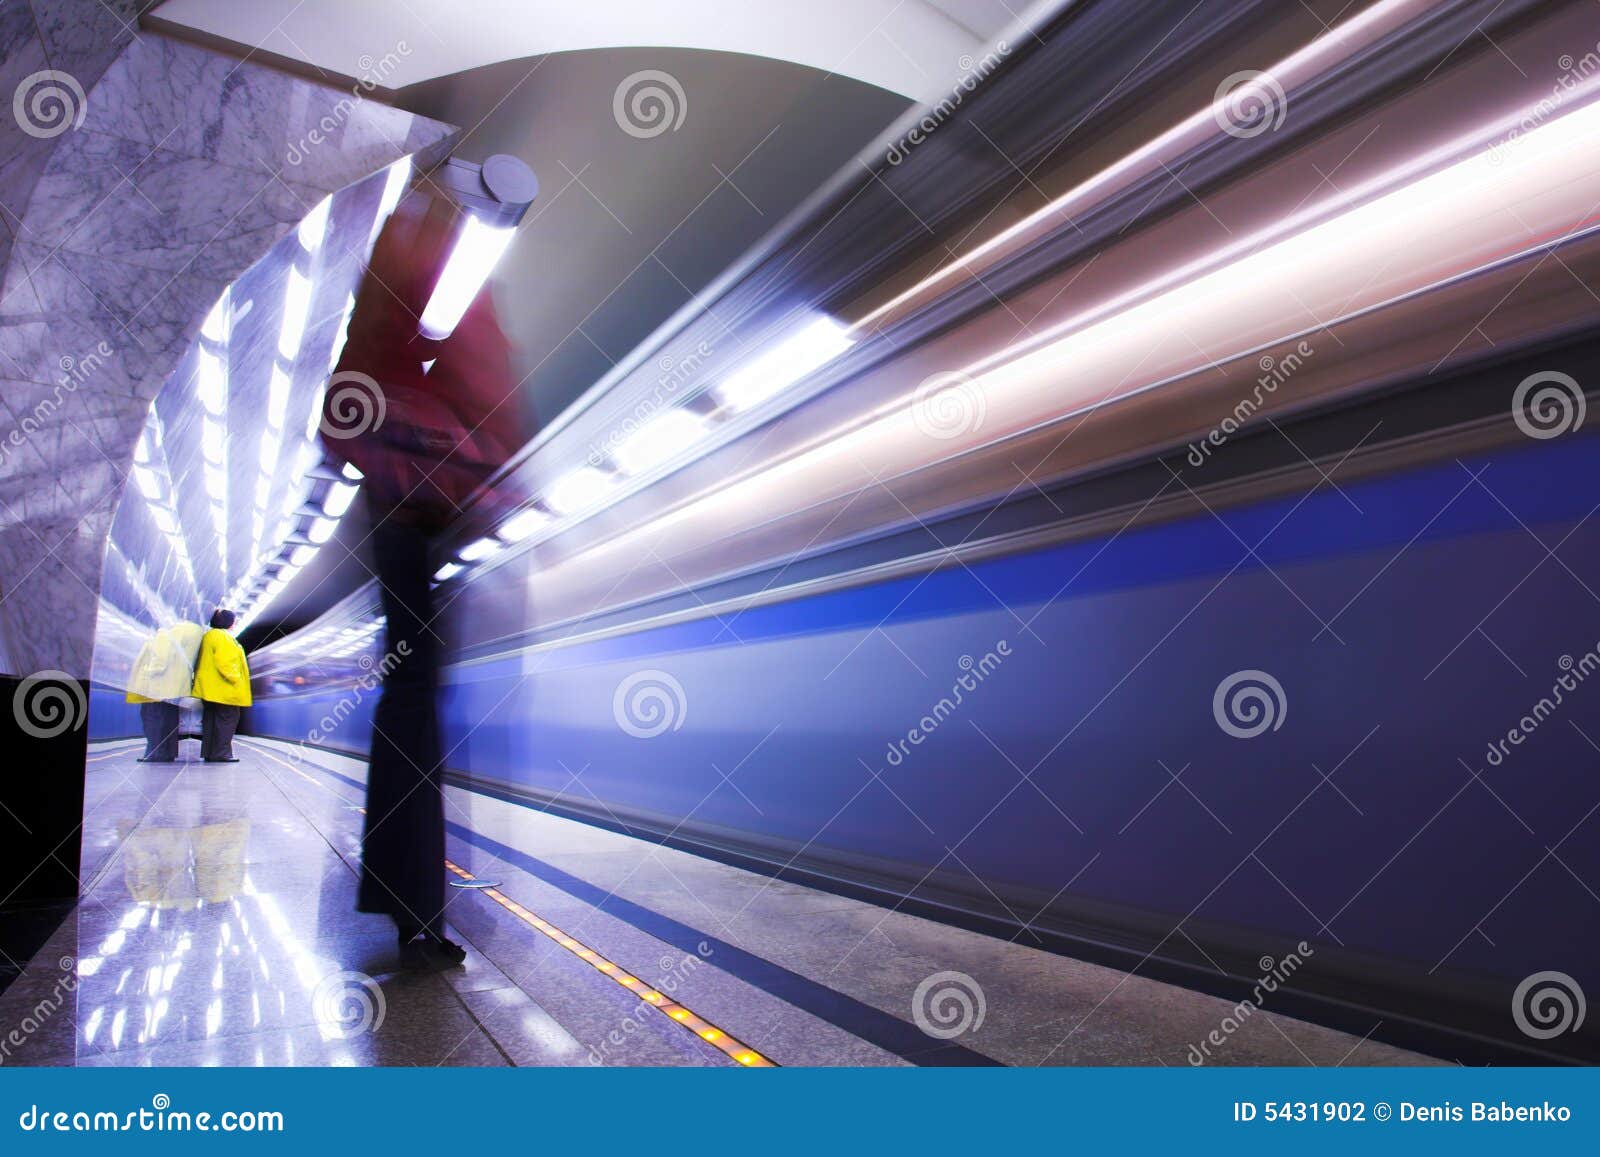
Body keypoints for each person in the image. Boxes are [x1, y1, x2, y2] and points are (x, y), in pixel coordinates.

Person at [320, 194, 526, 969]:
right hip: (422, 500)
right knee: (417, 699)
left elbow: (366, 363)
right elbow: (480, 369)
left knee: (410, 696)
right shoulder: (436, 247)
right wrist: (495, 468)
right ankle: (414, 908)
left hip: (403, 494)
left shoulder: (406, 250)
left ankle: (405, 895)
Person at [191, 609, 251, 762]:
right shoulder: (223, 637)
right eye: (234, 621)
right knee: (226, 721)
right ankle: (222, 753)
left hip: (210, 690)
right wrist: (236, 678)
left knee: (211, 721)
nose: (234, 624)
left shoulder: (209, 636)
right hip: (224, 690)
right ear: (228, 622)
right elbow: (226, 663)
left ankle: (210, 753)